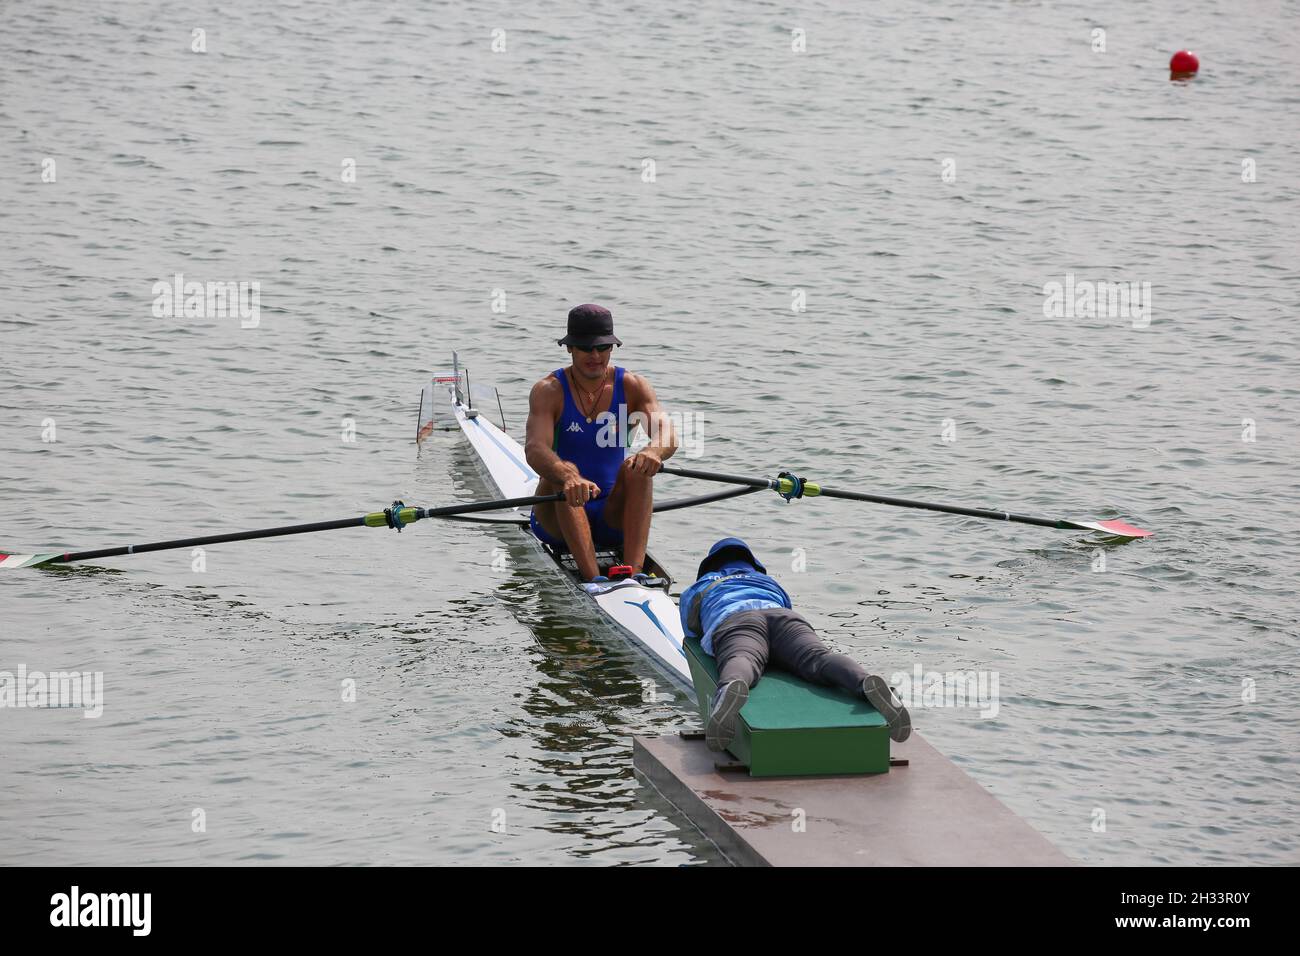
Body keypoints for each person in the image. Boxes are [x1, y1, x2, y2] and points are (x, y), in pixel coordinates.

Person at [679, 537, 912, 750]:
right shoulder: (765, 580)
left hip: (736, 620)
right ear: (753, 565)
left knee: (742, 658)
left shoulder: (705, 584)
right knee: (818, 657)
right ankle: (865, 683)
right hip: (783, 618)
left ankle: (730, 688)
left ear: (710, 567)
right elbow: (785, 604)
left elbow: (691, 628)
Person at [524, 304, 678, 582]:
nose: (595, 355)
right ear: (570, 348)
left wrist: (654, 450)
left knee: (637, 468)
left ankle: (634, 574)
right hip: (557, 517)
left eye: (603, 348)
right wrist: (568, 476)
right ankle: (594, 581)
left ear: (612, 348)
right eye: (585, 348)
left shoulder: (632, 385)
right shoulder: (549, 390)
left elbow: (668, 432)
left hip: (611, 515)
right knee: (563, 470)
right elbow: (535, 448)